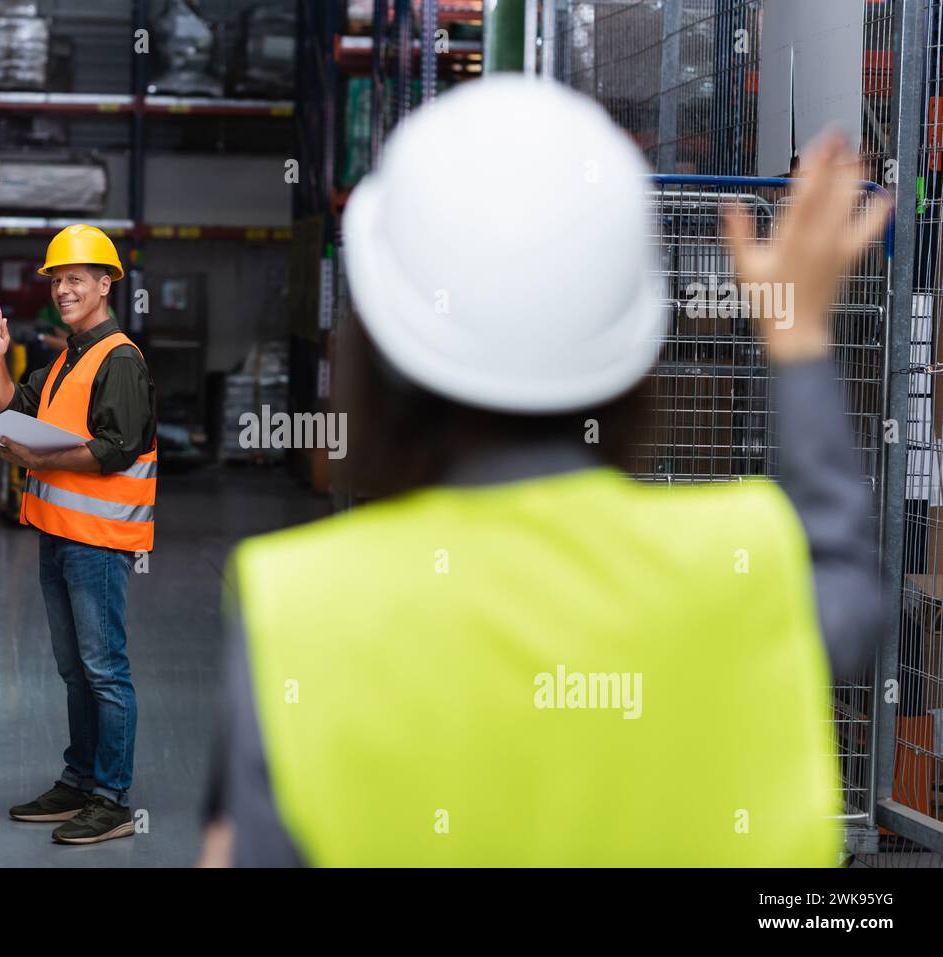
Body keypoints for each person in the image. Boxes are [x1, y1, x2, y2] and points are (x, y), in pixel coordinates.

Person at [200, 77, 890, 866]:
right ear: (637, 362)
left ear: (375, 363)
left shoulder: (298, 608)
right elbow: (848, 587)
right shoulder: (740, 562)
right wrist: (797, 334)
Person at [0, 223, 157, 845]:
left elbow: (115, 450)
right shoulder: (64, 361)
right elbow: (12, 415)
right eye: (58, 280)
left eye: (77, 278)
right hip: (58, 534)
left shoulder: (121, 359)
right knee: (74, 668)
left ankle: (111, 798)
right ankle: (78, 780)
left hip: (98, 542)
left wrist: (43, 460)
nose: (65, 290)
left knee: (104, 668)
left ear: (106, 284)